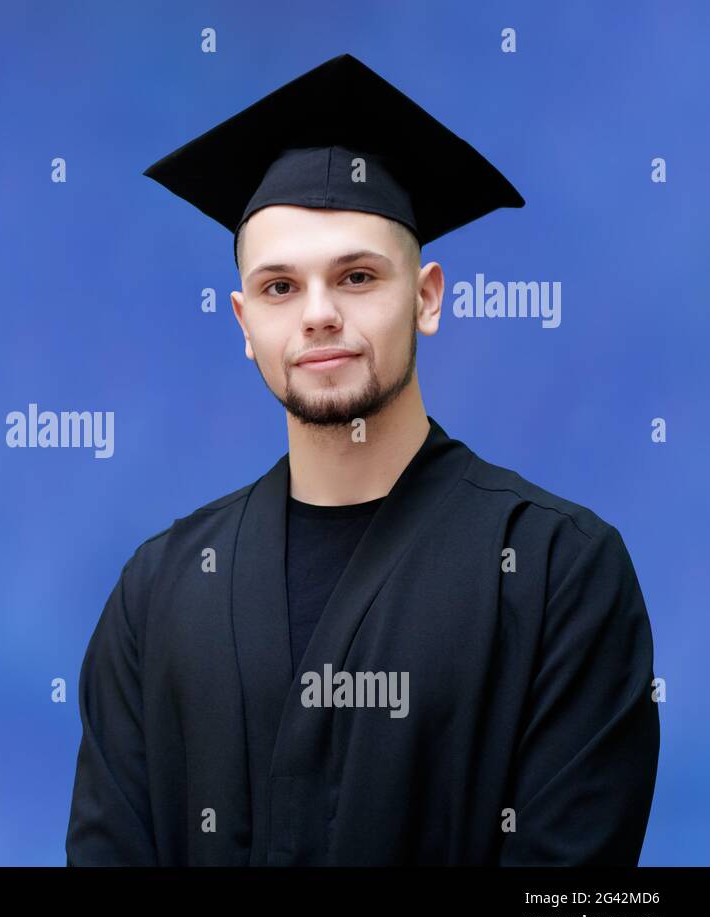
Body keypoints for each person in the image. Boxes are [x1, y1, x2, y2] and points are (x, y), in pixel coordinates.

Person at [64, 54, 660, 865]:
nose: (318, 315)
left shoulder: (558, 573)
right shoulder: (158, 590)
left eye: (356, 276)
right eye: (279, 288)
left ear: (426, 296)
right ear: (243, 322)